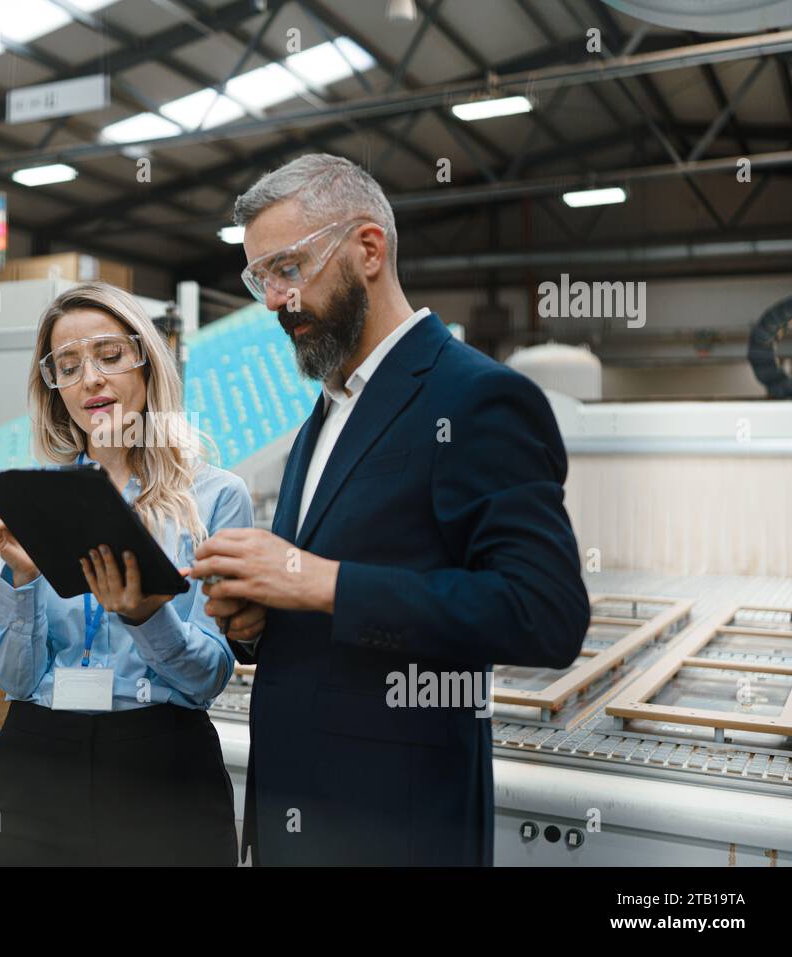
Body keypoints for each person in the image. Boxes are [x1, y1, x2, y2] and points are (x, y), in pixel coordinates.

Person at [188, 154, 590, 866]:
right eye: (262, 279)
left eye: (289, 267)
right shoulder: (325, 412)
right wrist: (261, 617)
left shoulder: (474, 398)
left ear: (368, 249)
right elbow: (320, 593)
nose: (277, 300)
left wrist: (320, 582)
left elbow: (545, 611)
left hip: (401, 828)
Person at [0, 281, 251, 866]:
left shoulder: (216, 498)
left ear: (147, 364)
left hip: (163, 764)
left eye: (108, 356)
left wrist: (146, 616)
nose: (90, 380)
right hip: (37, 763)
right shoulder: (29, 501)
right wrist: (22, 580)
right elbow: (13, 680)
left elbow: (208, 679)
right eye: (68, 366)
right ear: (54, 390)